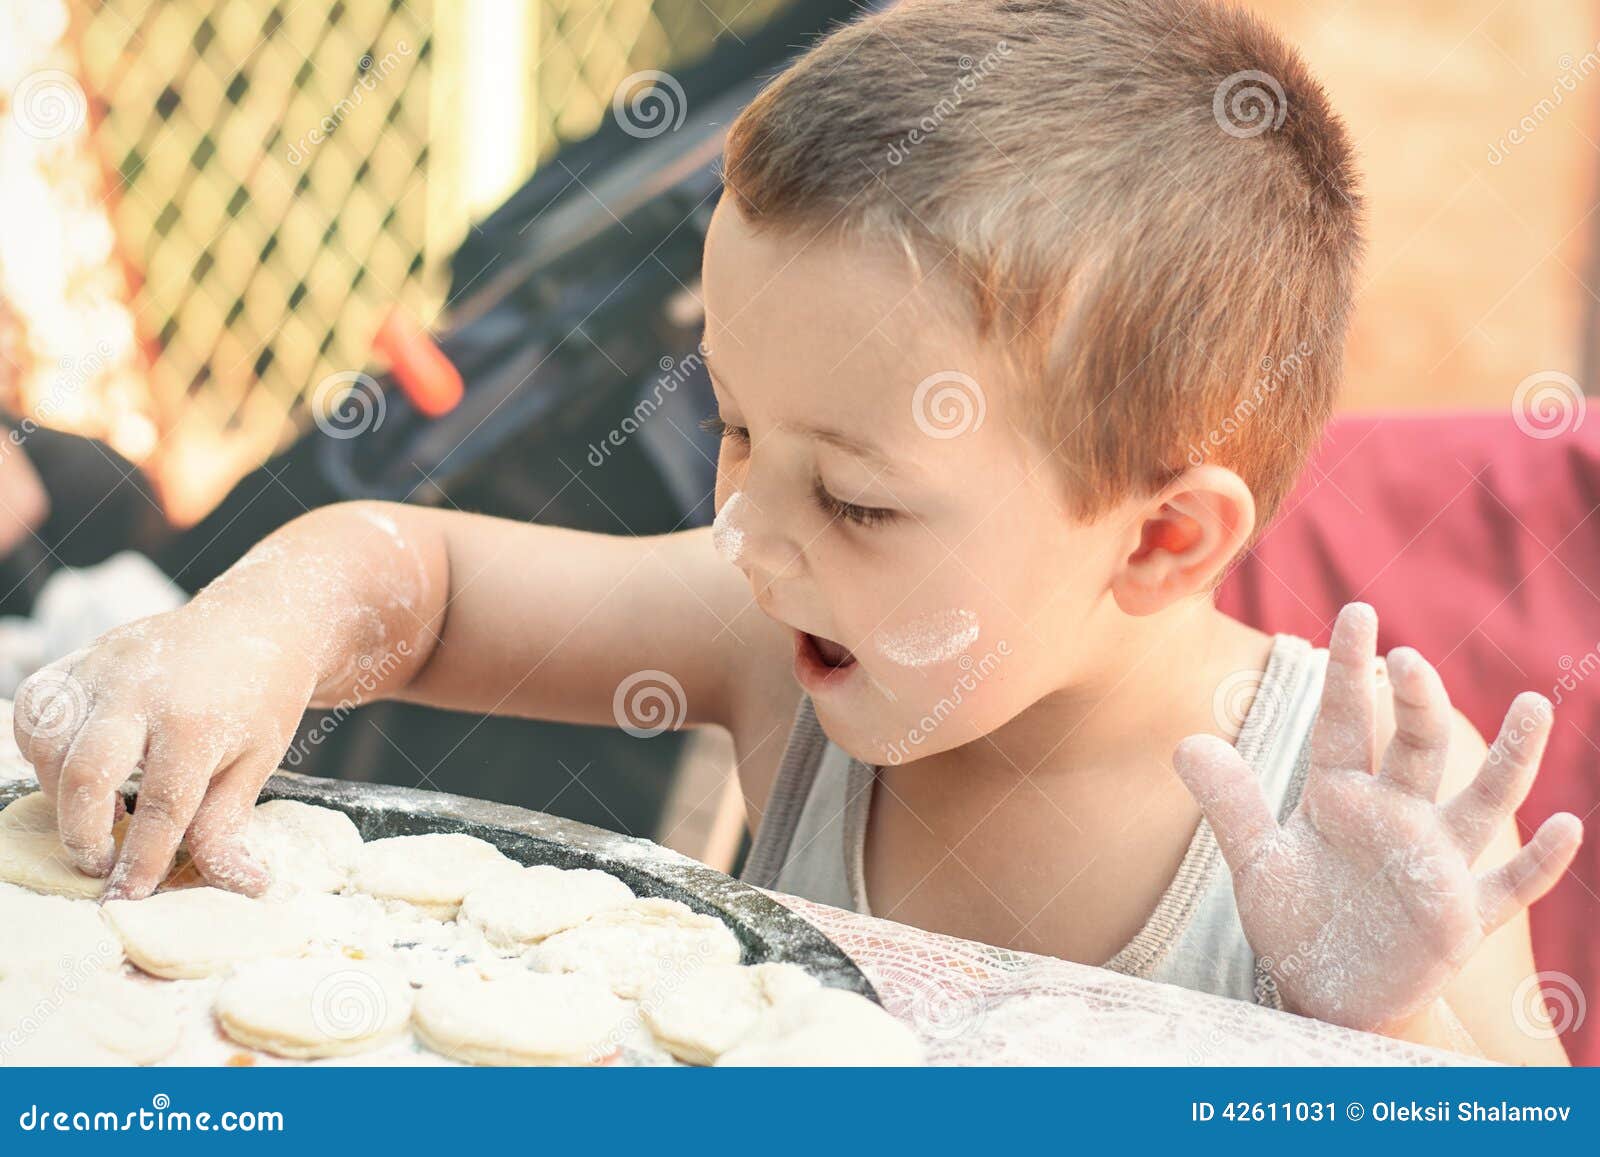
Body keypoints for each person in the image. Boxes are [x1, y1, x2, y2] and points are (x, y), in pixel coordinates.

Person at [13, 0, 1581, 1062]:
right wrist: (243, 631)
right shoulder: (779, 635)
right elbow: (416, 579)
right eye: (737, 427)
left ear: (1162, 540)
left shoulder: (1369, 829)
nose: (751, 533)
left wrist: (1377, 1023)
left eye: (855, 495)